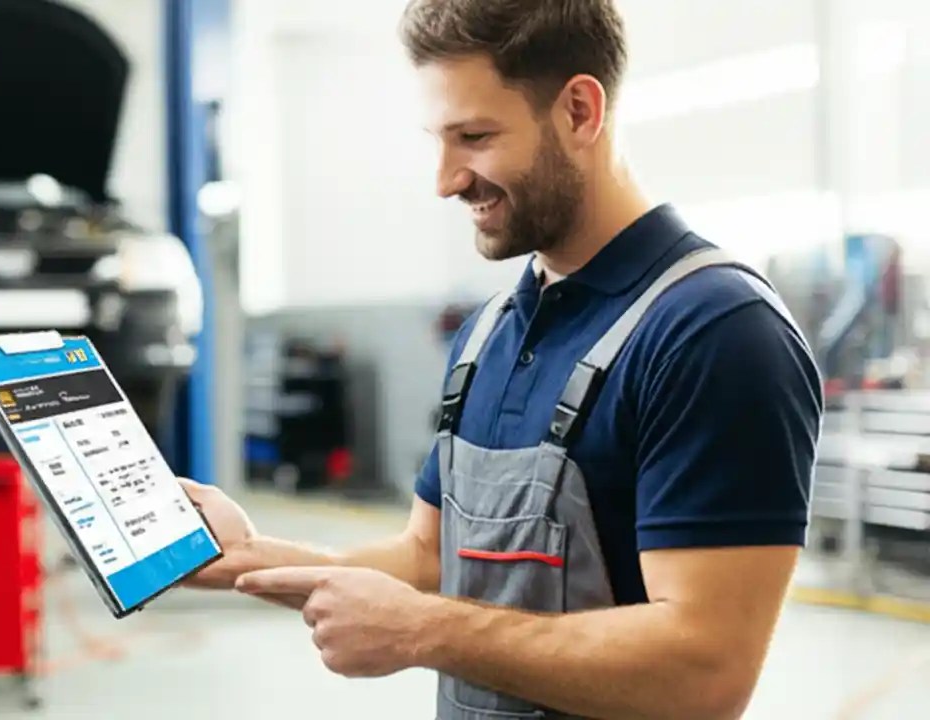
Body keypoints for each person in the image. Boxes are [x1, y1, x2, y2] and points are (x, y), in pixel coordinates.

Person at [180, 1, 823, 718]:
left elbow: (704, 675)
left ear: (579, 111)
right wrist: (249, 556)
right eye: (440, 140)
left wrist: (424, 630)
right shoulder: (492, 330)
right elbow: (429, 555)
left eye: (475, 137)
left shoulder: (716, 332)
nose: (447, 179)